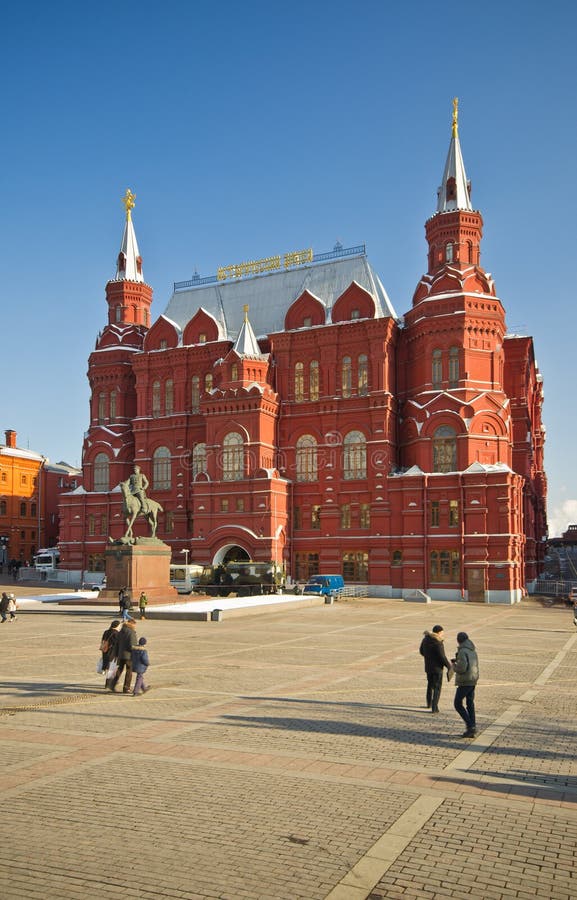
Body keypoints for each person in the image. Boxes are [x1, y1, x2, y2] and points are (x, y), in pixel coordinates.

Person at [419, 624, 452, 713]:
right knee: (437, 687)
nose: (443, 635)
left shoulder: (425, 639)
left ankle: (428, 703)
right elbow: (442, 657)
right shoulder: (438, 642)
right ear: (439, 632)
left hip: (428, 667)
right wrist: (449, 666)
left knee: (430, 685)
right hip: (437, 668)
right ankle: (435, 707)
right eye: (442, 633)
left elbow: (421, 651)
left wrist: (428, 657)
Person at [453, 631, 479, 738]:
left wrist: (454, 666)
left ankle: (470, 726)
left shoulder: (463, 651)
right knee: (470, 704)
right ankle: (472, 727)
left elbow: (462, 668)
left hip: (465, 681)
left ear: (459, 641)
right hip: (473, 679)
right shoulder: (472, 649)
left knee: (457, 703)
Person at [109, 618, 138, 693]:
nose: (135, 626)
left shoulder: (121, 631)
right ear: (132, 624)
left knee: (119, 670)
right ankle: (126, 687)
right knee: (129, 671)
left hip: (120, 654)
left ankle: (112, 684)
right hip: (129, 655)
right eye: (135, 624)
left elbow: (116, 644)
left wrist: (115, 653)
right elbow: (132, 645)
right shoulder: (131, 632)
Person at [100, 619, 121, 689]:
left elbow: (103, 640)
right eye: (119, 625)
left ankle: (112, 682)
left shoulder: (106, 631)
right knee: (112, 668)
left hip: (105, 651)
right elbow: (117, 644)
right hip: (112, 652)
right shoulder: (116, 633)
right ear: (117, 626)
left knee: (109, 667)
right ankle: (108, 684)